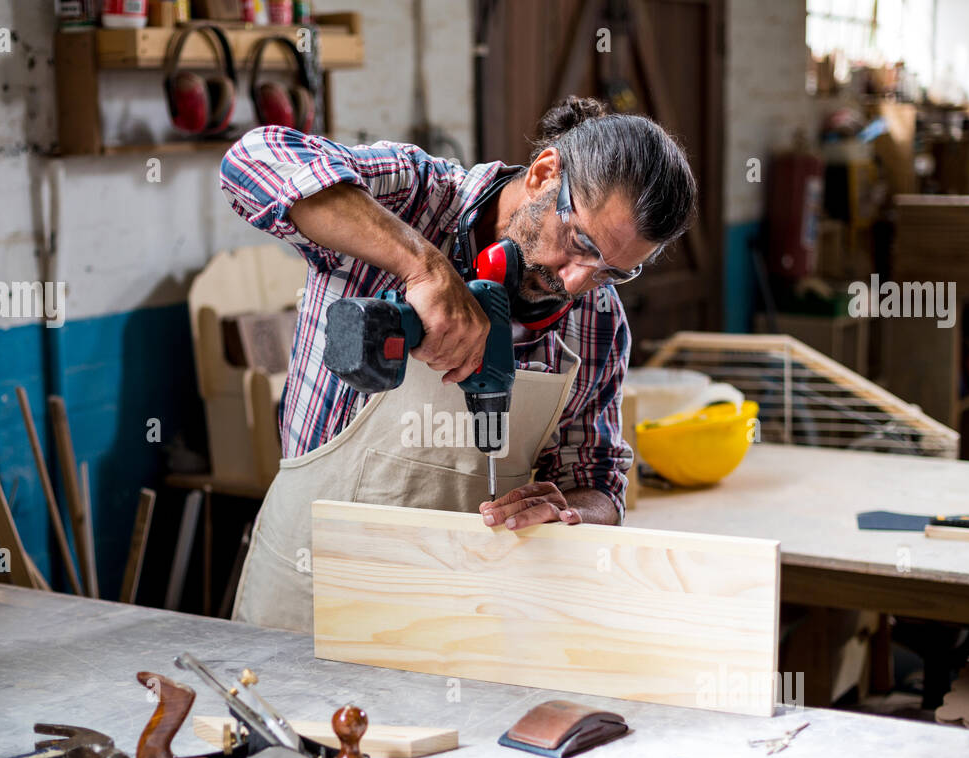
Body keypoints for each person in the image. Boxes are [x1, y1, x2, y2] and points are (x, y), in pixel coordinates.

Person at [219, 95, 697, 633]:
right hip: (307, 590)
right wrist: (421, 265)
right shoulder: (416, 198)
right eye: (578, 242)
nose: (575, 283)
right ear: (544, 174)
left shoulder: (597, 322)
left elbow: (601, 483)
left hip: (466, 617)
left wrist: (569, 510)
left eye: (610, 271)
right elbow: (253, 159)